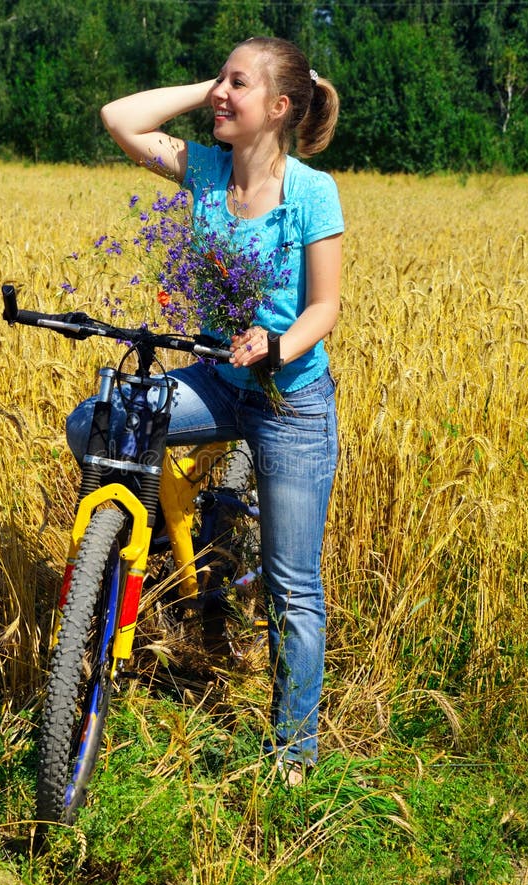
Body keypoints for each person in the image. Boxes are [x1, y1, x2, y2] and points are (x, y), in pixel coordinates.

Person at [72, 36, 343, 785]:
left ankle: (293, 757)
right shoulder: (206, 170)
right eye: (220, 79)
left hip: (290, 399)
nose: (222, 94)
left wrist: (278, 343)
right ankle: (136, 543)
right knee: (92, 421)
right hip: (220, 379)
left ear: (280, 108)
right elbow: (119, 117)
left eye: (239, 85)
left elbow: (325, 308)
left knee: (292, 587)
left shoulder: (311, 191)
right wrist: (213, 89)